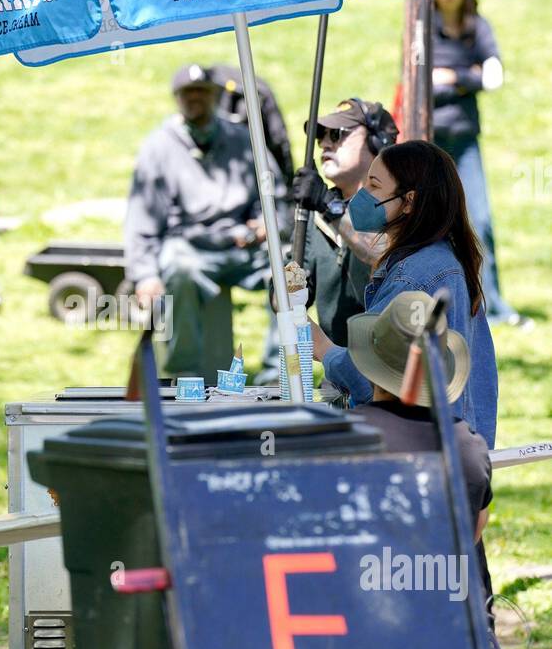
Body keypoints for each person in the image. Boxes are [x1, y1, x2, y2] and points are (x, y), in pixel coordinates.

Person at [346, 291, 502, 649]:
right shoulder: (469, 446)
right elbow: (474, 531)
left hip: (370, 632)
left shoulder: (347, 440)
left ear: (371, 367)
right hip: (455, 637)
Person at [312, 140, 498, 451]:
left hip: (420, 452)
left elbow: (370, 374)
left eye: (374, 185)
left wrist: (322, 347)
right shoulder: (444, 259)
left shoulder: (413, 275)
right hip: (460, 449)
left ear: (408, 201)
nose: (361, 195)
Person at [125, 62, 291, 380]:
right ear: (177, 98)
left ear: (215, 96)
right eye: (188, 93)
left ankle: (277, 373)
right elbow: (141, 217)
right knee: (179, 268)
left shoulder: (243, 139)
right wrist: (143, 274)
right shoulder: (159, 146)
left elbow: (274, 194)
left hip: (242, 244)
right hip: (189, 245)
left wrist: (265, 223)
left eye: (202, 91)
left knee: (287, 271)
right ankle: (184, 371)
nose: (195, 98)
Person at [431, 0, 528, 328]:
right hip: (431, 146)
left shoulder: (477, 27)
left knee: (480, 221)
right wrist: (467, 77)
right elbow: (421, 82)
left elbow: (493, 77)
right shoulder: (424, 27)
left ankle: (492, 303)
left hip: (466, 141)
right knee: (434, 226)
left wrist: (450, 77)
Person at [290, 97, 396, 346]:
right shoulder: (314, 214)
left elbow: (382, 253)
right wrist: (285, 289)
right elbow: (285, 301)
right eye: (321, 137)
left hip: (391, 366)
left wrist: (327, 205)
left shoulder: (399, 205)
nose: (325, 143)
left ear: (376, 141)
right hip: (338, 370)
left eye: (336, 134)